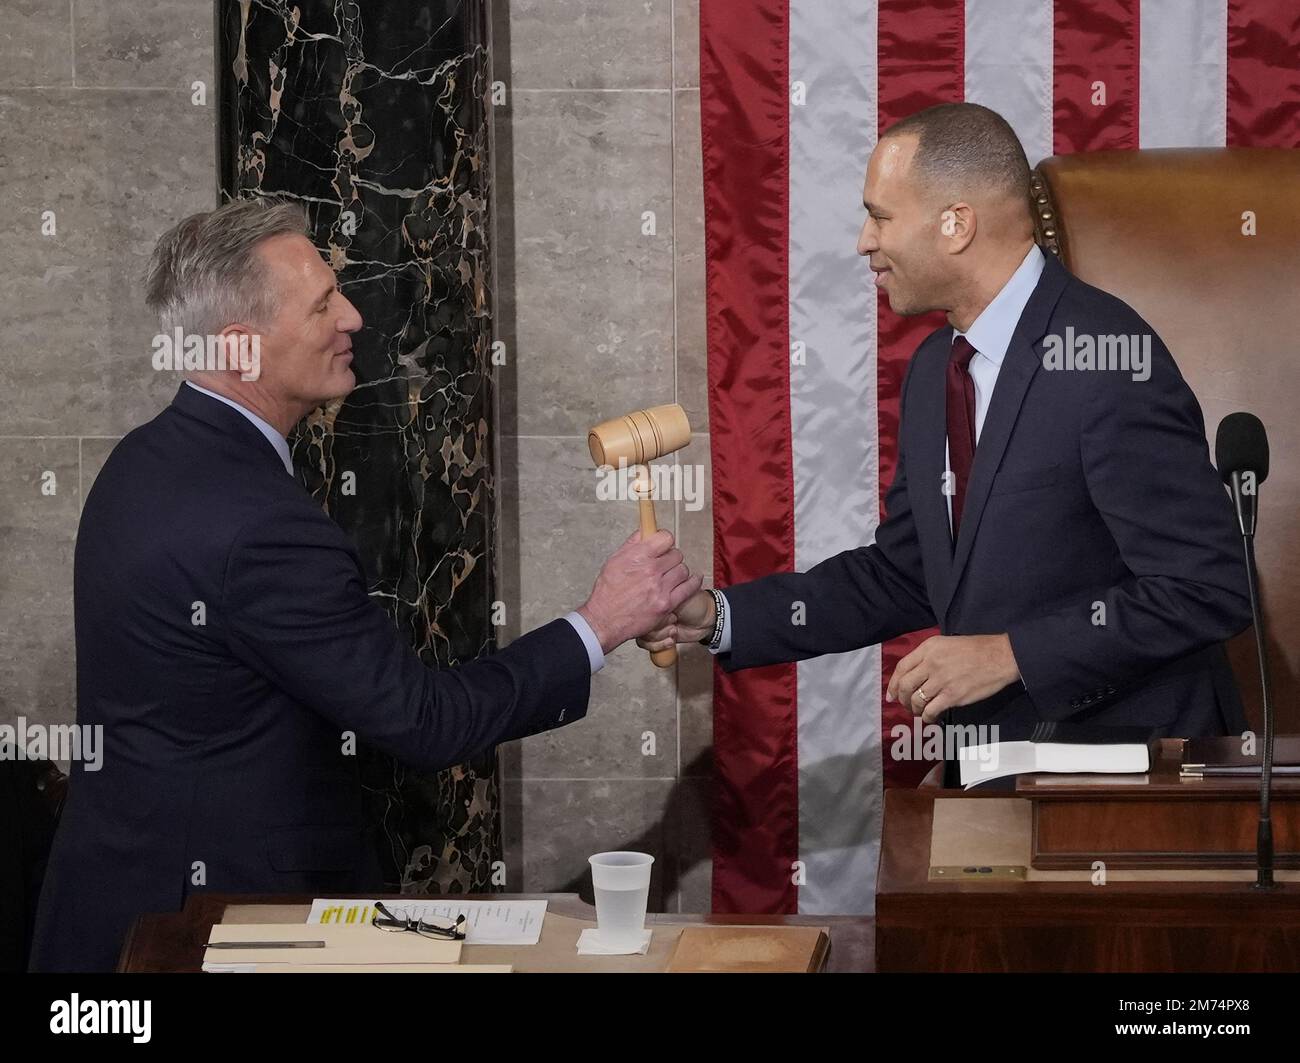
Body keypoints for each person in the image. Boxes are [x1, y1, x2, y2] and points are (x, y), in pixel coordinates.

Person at [29, 198, 699, 971]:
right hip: (204, 932)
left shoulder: (140, 461)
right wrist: (601, 621)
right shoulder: (257, 525)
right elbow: (424, 720)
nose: (352, 315)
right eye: (321, 304)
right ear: (243, 349)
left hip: (107, 904)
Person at [641, 103, 1251, 780]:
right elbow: (904, 571)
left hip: (1130, 786)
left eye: (879, 215)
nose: (862, 241)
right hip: (1000, 774)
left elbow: (1207, 586)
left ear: (955, 223)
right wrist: (721, 616)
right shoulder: (937, 368)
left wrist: (1010, 654)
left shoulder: (1105, 358)